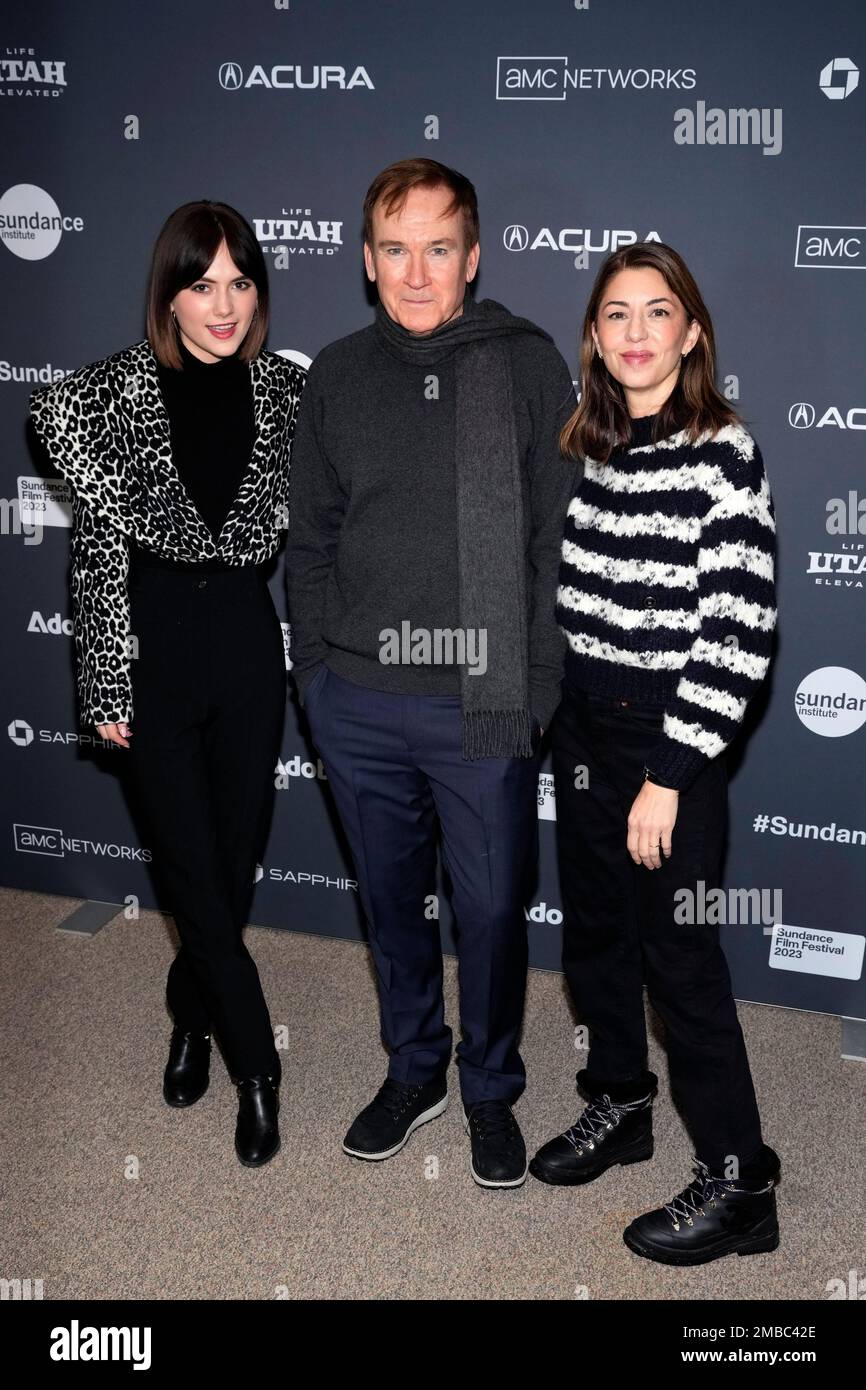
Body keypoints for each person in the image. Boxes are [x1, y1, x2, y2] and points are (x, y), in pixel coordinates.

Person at [286, 157, 577, 1187]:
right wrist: (317, 676)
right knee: (392, 903)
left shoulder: (528, 366)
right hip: (358, 703)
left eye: (438, 247)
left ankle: (490, 1084)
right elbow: (310, 541)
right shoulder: (332, 375)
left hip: (485, 703)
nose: (417, 273)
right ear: (367, 261)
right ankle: (415, 1069)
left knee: (493, 914)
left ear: (473, 257)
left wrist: (534, 693)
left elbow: (554, 543)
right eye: (396, 249)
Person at [29, 200, 306, 1168]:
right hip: (149, 654)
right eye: (201, 284)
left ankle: (189, 1018)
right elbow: (96, 549)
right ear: (169, 295)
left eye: (240, 282)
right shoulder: (107, 395)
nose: (222, 304)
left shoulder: (285, 395)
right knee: (189, 869)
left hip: (241, 651)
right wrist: (102, 678)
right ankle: (258, 1070)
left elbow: (318, 538)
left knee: (223, 879)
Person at [530, 242, 781, 1263]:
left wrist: (668, 775)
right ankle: (620, 1103)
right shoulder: (587, 445)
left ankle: (739, 1182)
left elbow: (737, 628)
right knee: (595, 938)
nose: (635, 333)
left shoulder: (722, 450)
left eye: (655, 312)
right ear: (593, 336)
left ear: (688, 331)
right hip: (582, 723)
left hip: (665, 733)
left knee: (680, 960)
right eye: (615, 315)